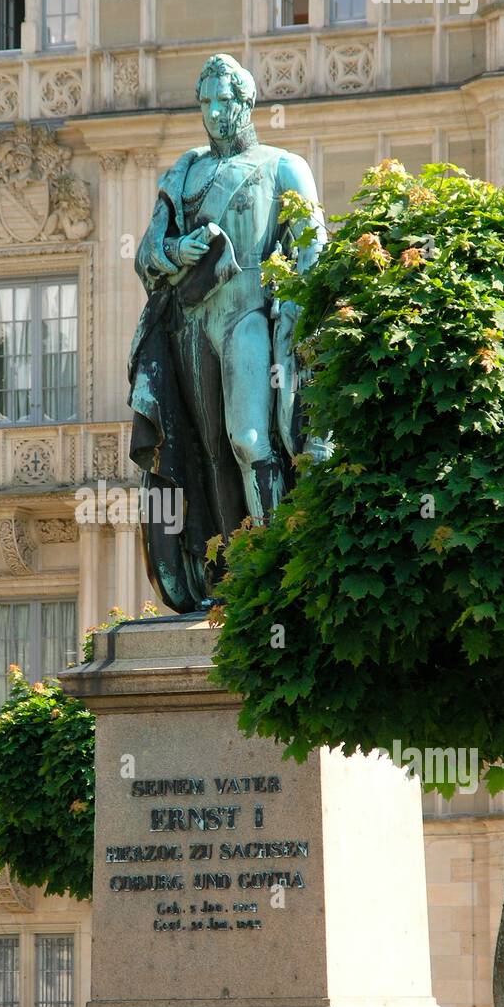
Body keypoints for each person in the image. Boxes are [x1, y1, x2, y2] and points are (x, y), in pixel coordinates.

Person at [128, 53, 328, 613]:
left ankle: (275, 567)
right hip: (191, 327)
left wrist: (298, 321)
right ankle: (227, 572)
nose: (215, 113)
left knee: (249, 439)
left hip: (250, 318)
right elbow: (148, 253)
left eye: (226, 102)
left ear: (248, 103)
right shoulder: (184, 171)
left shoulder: (283, 167)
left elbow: (313, 253)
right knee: (203, 451)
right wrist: (176, 251)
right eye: (207, 103)